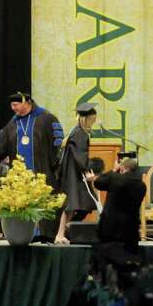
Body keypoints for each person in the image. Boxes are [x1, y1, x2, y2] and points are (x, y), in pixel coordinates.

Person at [0, 91, 63, 238]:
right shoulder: (13, 123)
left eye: (16, 105)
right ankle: (24, 234)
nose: (13, 108)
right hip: (19, 176)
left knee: (44, 201)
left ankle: (44, 234)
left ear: (26, 102)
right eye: (11, 105)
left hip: (42, 171)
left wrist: (55, 165)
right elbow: (0, 142)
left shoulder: (47, 118)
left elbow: (57, 142)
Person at [55, 103, 100, 245]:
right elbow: (80, 155)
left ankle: (65, 230)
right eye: (92, 120)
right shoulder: (80, 134)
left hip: (71, 171)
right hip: (74, 173)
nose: (93, 122)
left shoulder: (75, 131)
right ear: (87, 119)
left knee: (76, 204)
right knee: (70, 205)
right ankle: (60, 234)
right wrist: (86, 170)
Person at [87, 153, 146, 251]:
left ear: (122, 168)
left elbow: (98, 183)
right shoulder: (142, 186)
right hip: (131, 231)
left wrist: (114, 170)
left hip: (110, 229)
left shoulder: (115, 178)